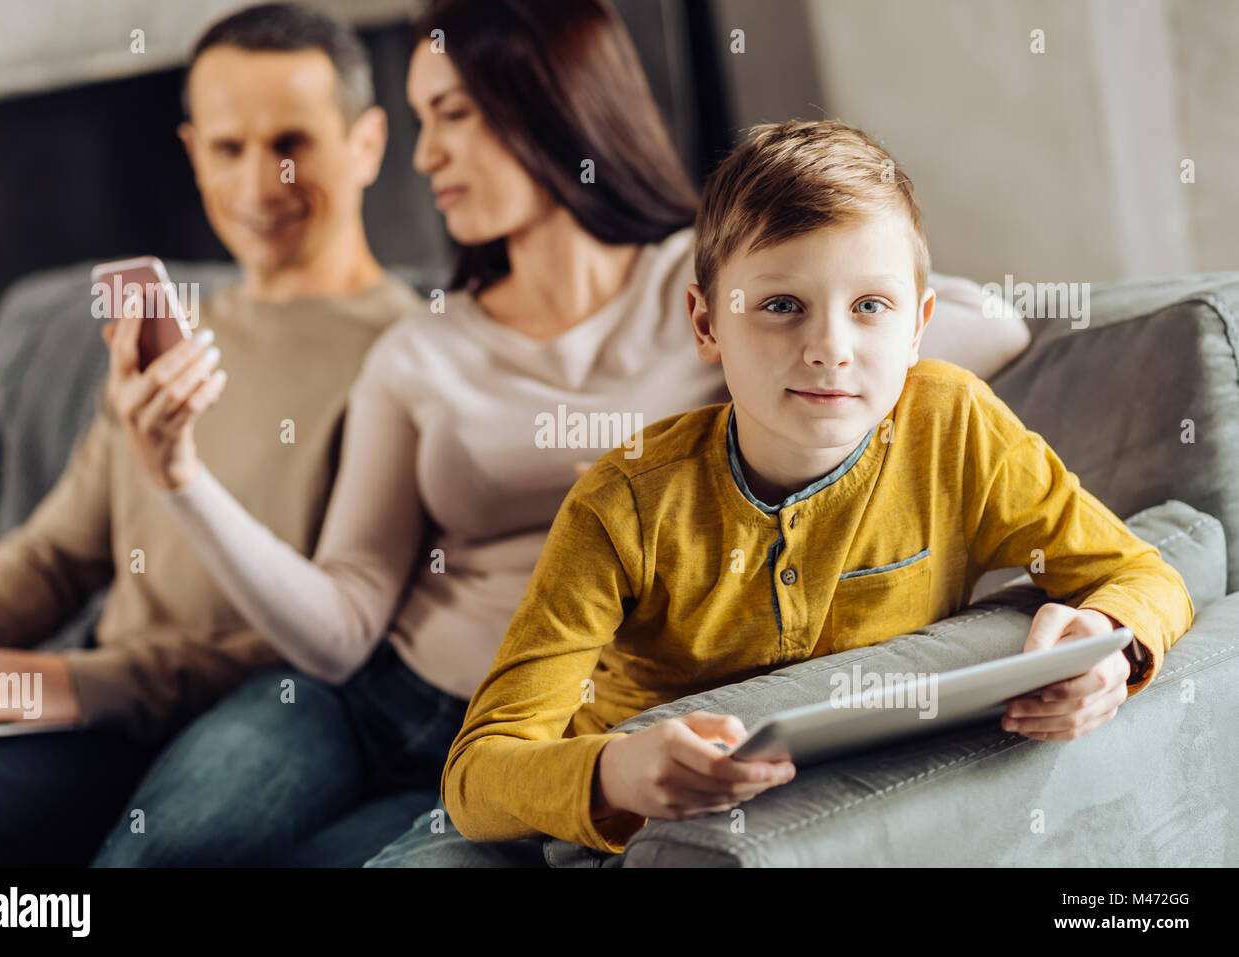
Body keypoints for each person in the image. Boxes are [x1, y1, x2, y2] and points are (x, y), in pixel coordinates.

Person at [93, 0, 1032, 868]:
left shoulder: (716, 293)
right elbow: (340, 630)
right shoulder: (420, 350)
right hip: (369, 699)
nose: (424, 157)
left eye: (451, 113)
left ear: (547, 101)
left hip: (545, 732)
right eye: (422, 120)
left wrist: (752, 348)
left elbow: (990, 324)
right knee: (148, 857)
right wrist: (178, 475)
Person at [365, 119, 1192, 867]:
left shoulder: (957, 426)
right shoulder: (622, 501)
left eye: (870, 306)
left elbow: (1147, 572)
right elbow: (477, 776)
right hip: (589, 829)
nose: (829, 348)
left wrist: (1112, 645)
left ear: (918, 324)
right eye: (781, 306)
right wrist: (620, 768)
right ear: (705, 324)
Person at [0, 2, 422, 866]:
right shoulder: (170, 330)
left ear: (367, 143)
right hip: (91, 713)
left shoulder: (411, 355)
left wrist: (80, 683)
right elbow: (56, 553)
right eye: (228, 149)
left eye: (292, 143)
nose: (257, 183)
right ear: (193, 152)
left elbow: (330, 631)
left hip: (249, 721)